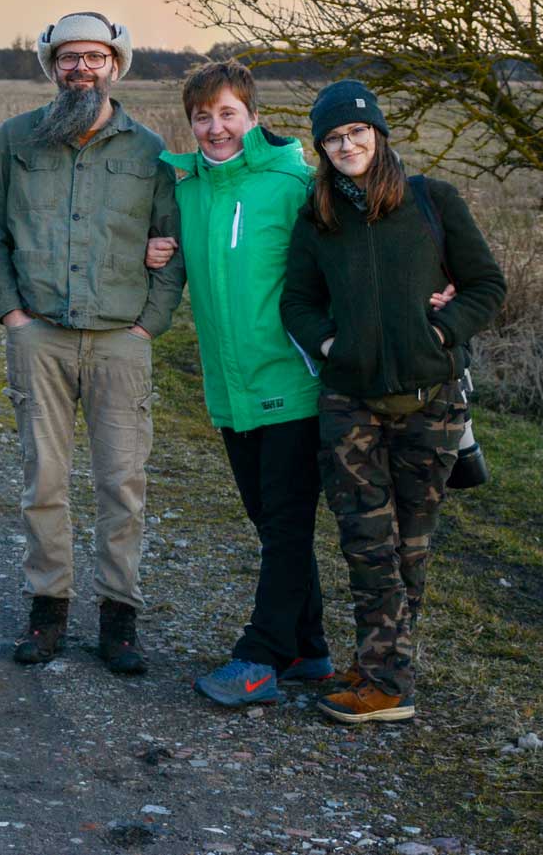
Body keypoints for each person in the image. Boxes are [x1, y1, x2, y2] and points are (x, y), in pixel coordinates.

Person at [281, 79, 506, 724]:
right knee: (366, 539)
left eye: (357, 132)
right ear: (322, 148)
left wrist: (441, 329)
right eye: (333, 137)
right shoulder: (319, 216)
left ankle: (386, 671)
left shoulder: (432, 201)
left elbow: (487, 284)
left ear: (378, 134)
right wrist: (329, 345)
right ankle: (385, 675)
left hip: (432, 403)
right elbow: (297, 300)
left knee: (411, 544)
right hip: (350, 403)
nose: (347, 145)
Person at [0, 10, 182, 674]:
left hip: (122, 338)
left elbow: (171, 241)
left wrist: (150, 321)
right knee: (44, 479)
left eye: (94, 56)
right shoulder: (15, 140)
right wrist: (9, 312)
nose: (81, 68)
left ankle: (120, 618)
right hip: (40, 337)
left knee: (123, 482)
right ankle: (48, 610)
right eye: (68, 58)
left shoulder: (150, 151)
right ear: (53, 67)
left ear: (115, 64)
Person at [148, 60, 331, 705]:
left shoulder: (295, 183)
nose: (215, 127)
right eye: (203, 116)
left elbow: (347, 253)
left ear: (253, 117)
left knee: (285, 525)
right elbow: (162, 244)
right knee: (268, 521)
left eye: (228, 114)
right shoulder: (188, 189)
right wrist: (155, 249)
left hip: (291, 383)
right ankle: (310, 650)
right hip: (229, 389)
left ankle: (261, 657)